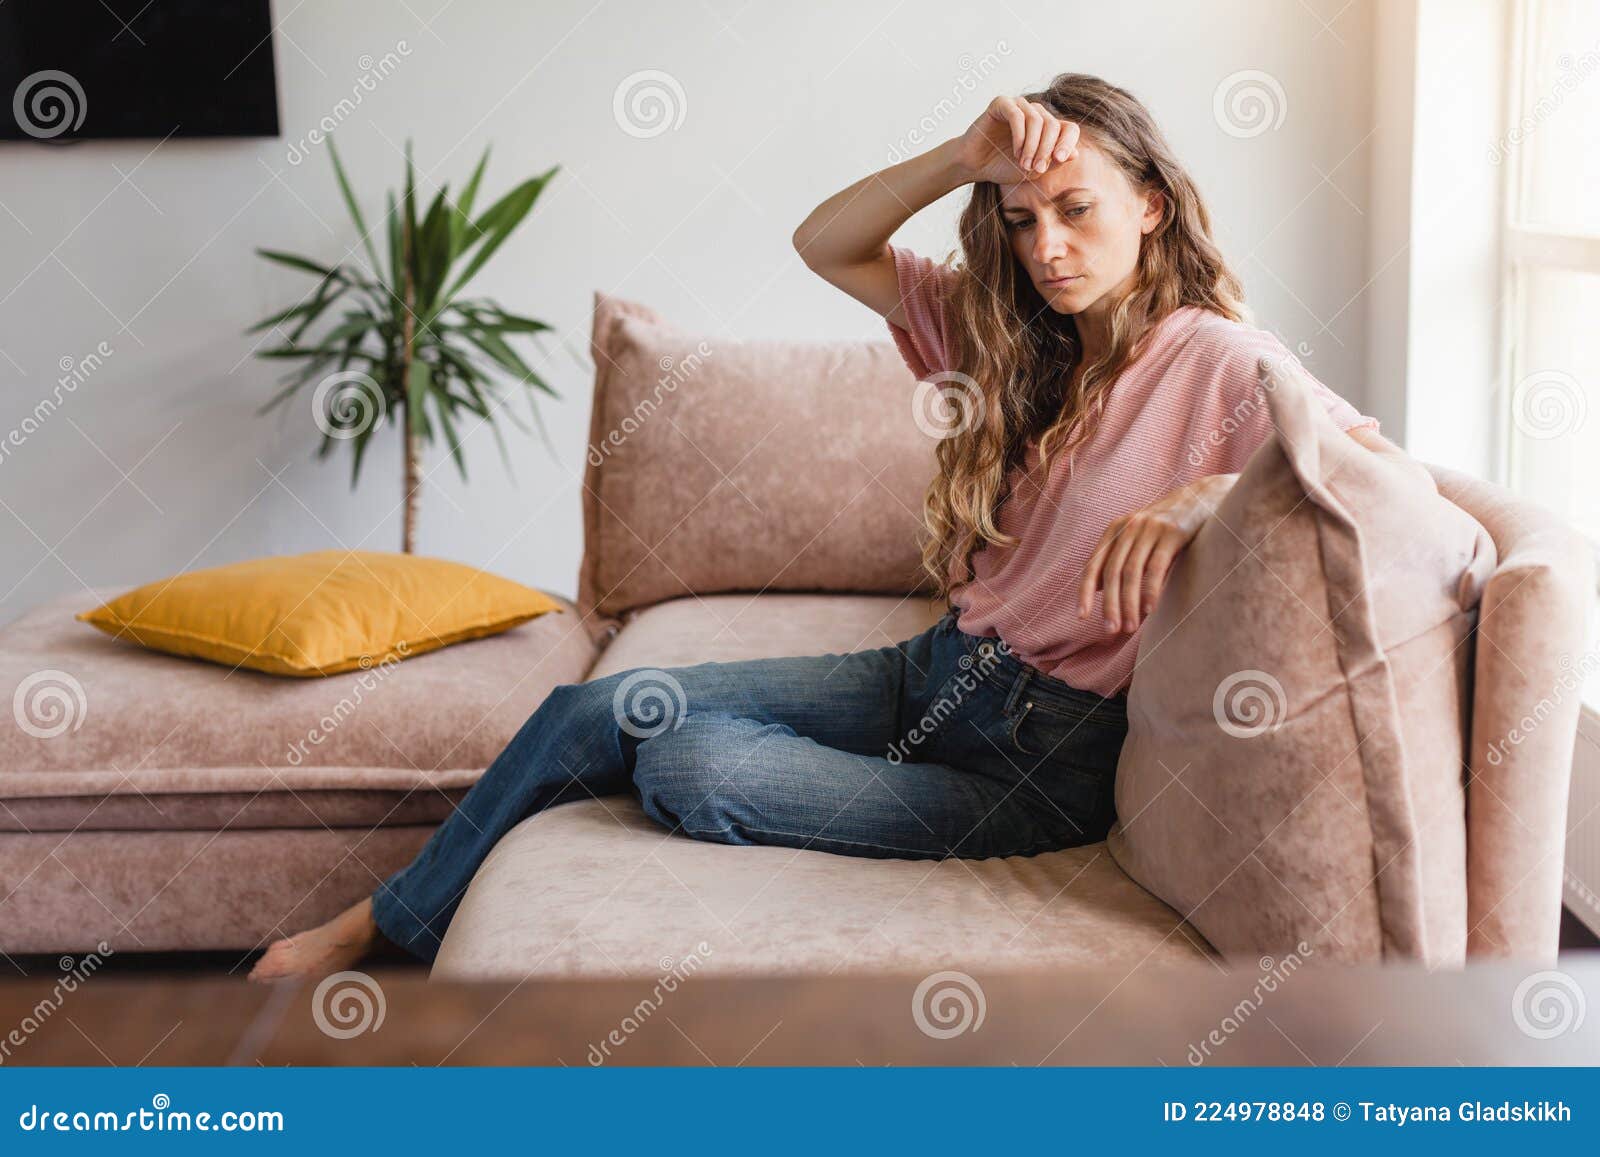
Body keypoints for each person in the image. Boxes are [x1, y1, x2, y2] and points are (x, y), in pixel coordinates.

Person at [248, 72, 1423, 982]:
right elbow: (827, 242)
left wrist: (1207, 494)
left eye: (1075, 211)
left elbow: (1380, 482)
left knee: (689, 763)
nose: (1047, 248)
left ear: (1151, 206)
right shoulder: (1010, 337)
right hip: (934, 668)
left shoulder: (1218, 359)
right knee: (600, 705)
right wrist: (966, 154)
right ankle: (377, 920)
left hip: (1043, 752)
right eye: (1020, 220)